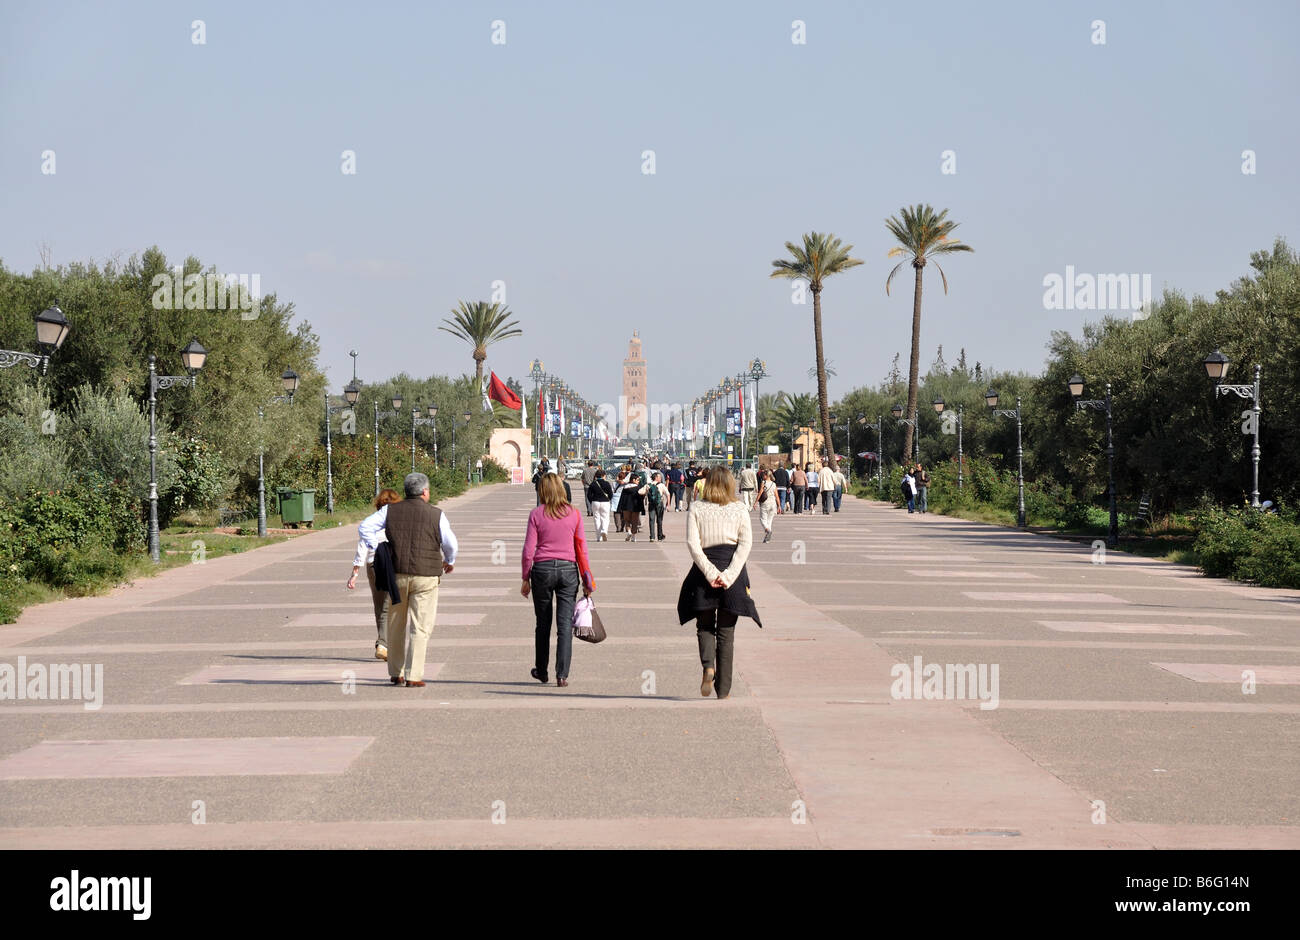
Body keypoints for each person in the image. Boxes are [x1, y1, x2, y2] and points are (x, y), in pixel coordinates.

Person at [678, 466, 762, 699]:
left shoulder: (696, 508)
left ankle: (708, 666)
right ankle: (723, 690)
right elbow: (745, 545)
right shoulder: (740, 508)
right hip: (732, 575)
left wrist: (710, 572)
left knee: (704, 625)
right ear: (730, 484)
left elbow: (693, 545)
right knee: (726, 631)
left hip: (703, 574)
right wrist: (727, 575)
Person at [373, 472, 458, 687]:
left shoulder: (390, 510)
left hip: (397, 575)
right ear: (425, 492)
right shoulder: (436, 514)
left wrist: (378, 548)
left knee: (395, 623)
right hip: (426, 576)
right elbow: (450, 544)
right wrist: (449, 560)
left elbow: (365, 527)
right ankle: (414, 675)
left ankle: (396, 672)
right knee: (420, 626)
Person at [521, 474, 594, 688]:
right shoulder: (574, 514)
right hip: (568, 571)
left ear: (542, 491)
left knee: (542, 623)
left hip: (542, 571)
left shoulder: (536, 514)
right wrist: (587, 578)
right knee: (564, 625)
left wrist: (526, 577)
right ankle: (562, 675)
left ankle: (542, 671)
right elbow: (582, 549)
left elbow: (528, 551)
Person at [346, 488, 403, 660]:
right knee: (389, 605)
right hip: (390, 564)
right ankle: (383, 644)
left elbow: (362, 548)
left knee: (379, 606)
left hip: (372, 565)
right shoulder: (396, 522)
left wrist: (355, 573)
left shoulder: (371, 522)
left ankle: (384, 644)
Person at [588, 467, 614, 541]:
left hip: (595, 502)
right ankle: (604, 530)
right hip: (605, 502)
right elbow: (611, 494)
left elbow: (589, 495)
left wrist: (592, 501)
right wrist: (608, 499)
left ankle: (599, 537)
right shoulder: (607, 483)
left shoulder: (593, 484)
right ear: (603, 476)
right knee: (605, 518)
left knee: (596, 519)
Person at [622, 465, 646, 541]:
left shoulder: (625, 488)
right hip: (636, 506)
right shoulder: (638, 488)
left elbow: (622, 498)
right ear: (634, 480)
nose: (639, 481)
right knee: (635, 522)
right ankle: (634, 537)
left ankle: (629, 531)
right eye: (638, 480)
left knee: (627, 520)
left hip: (626, 506)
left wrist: (621, 507)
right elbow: (641, 498)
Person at [756, 468, 777, 543]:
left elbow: (760, 492)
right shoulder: (774, 484)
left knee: (762, 519)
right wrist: (779, 506)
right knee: (769, 521)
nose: (762, 476)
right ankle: (767, 539)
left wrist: (755, 502)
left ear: (766, 476)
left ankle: (767, 530)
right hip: (773, 504)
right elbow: (777, 496)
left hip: (765, 504)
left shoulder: (763, 482)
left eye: (763, 475)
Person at [647, 470, 668, 541]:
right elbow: (668, 494)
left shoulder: (648, 485)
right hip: (659, 503)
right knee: (659, 520)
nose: (661, 478)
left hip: (651, 504)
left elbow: (641, 492)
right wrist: (668, 503)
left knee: (651, 520)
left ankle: (652, 536)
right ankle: (660, 536)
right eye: (659, 477)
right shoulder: (661, 485)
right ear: (656, 477)